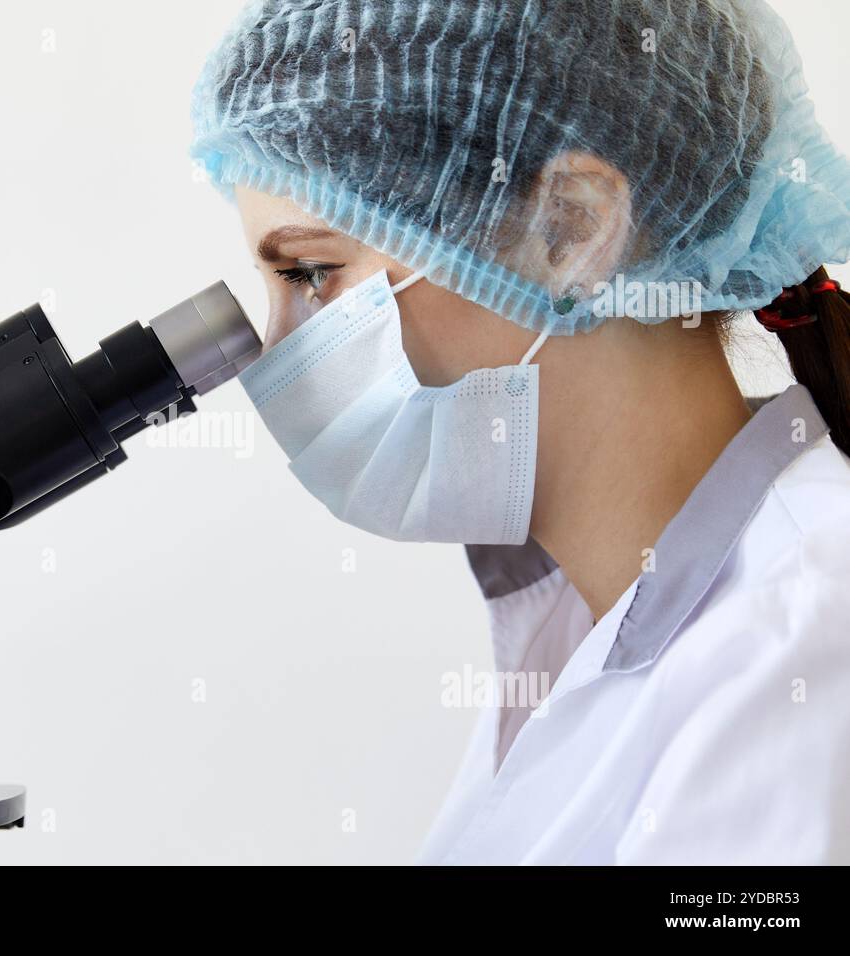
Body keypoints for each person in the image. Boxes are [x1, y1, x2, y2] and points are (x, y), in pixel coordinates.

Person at [191, 0, 850, 863]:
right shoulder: (583, 610)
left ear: (573, 230)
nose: (273, 353)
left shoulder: (799, 645)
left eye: (313, 272)